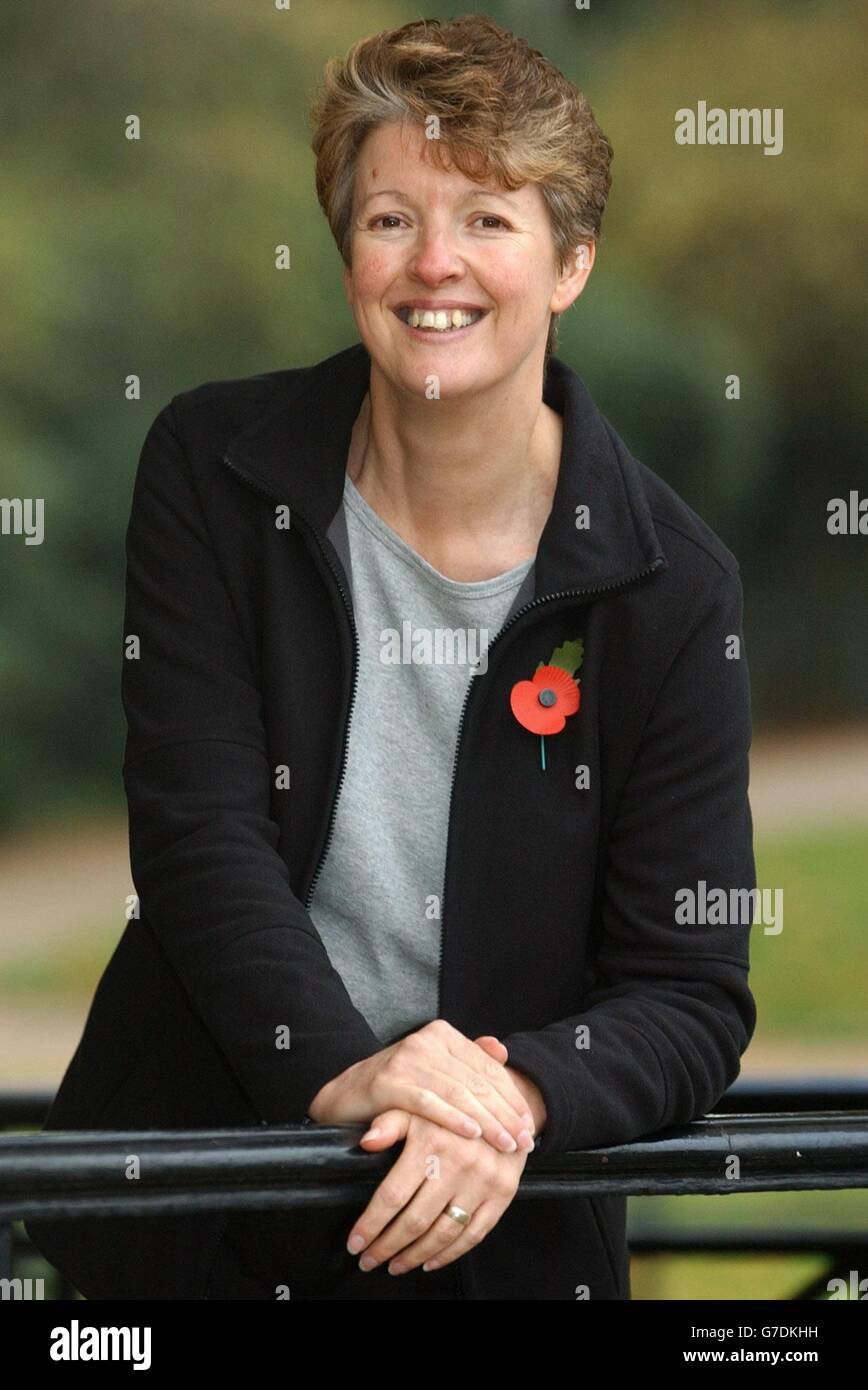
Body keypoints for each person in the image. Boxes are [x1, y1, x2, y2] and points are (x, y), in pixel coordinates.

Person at [26, 15, 757, 1301]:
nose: (435, 266)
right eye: (389, 220)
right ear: (345, 250)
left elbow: (688, 992)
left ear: (570, 261)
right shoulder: (212, 468)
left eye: (487, 218)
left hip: (492, 1235)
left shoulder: (671, 587)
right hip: (199, 1222)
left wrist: (514, 1092)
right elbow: (199, 840)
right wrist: (348, 1070)